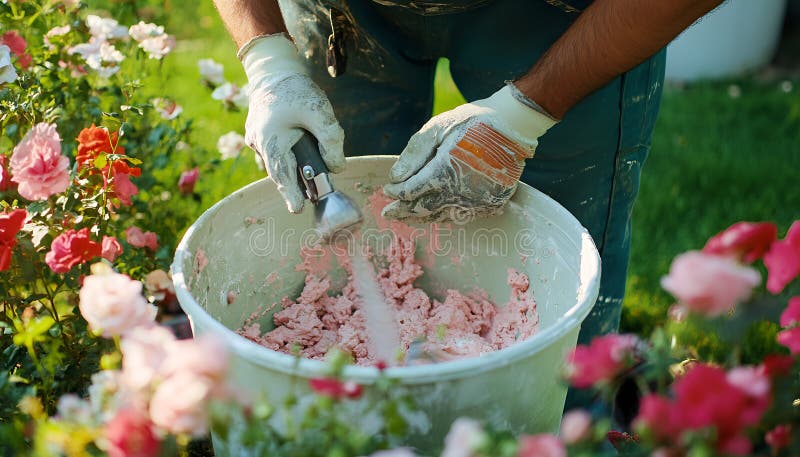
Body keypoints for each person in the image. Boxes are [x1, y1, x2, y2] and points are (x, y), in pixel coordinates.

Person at [214, 0, 721, 377]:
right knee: (346, 175)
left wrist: (527, 113)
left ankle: (568, 434)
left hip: (558, 16)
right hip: (350, 12)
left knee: (564, 271)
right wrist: (268, 64)